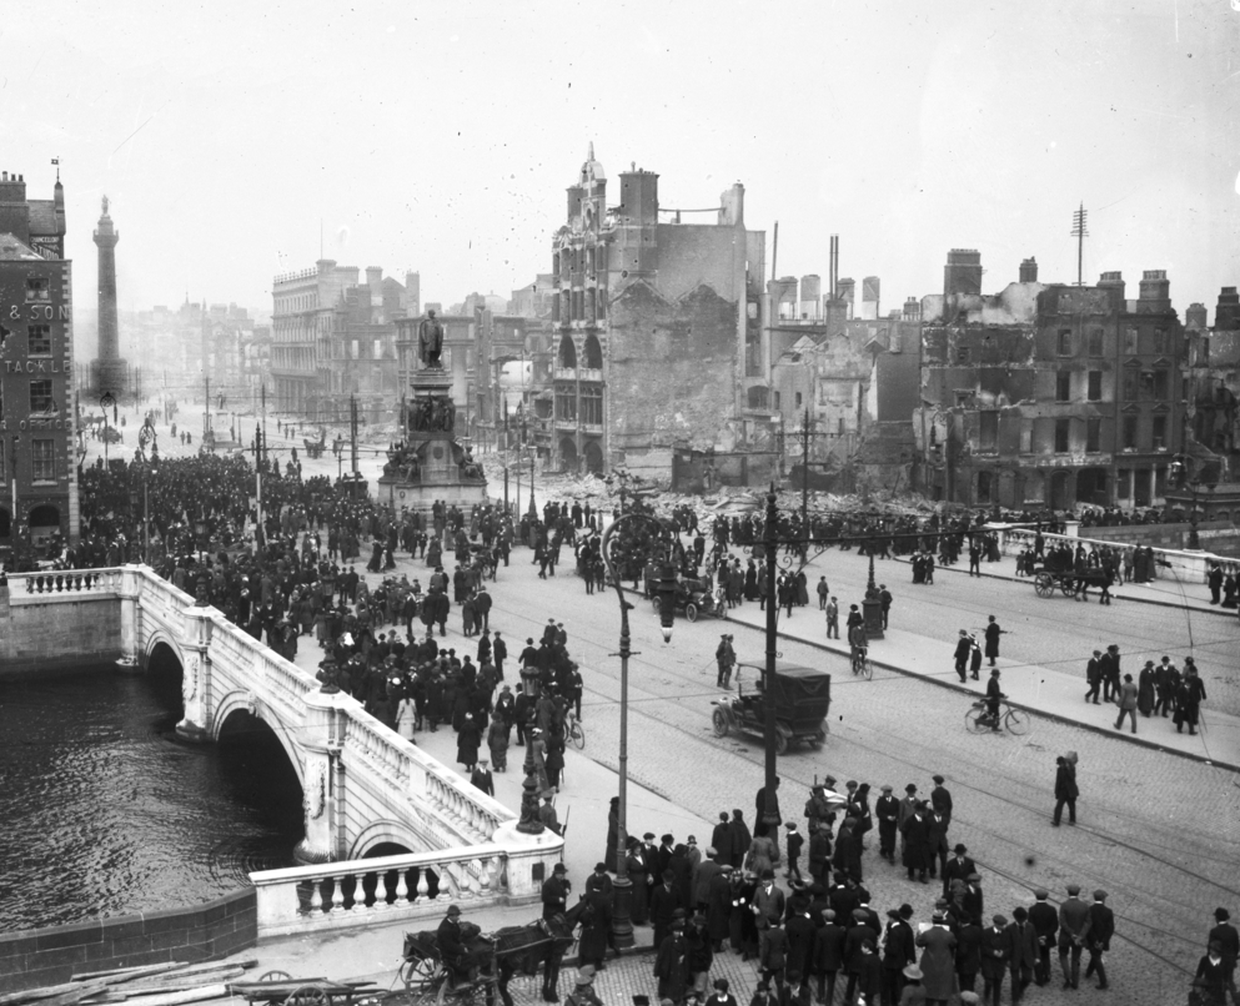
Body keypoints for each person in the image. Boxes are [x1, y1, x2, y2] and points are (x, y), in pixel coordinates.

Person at [1057, 884, 1091, 990]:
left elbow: (1062, 922)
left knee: (1063, 955)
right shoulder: (1085, 906)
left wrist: (1071, 934)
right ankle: (1075, 983)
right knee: (1075, 959)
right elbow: (1088, 923)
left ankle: (1068, 978)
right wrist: (1080, 936)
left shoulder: (1064, 905)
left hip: (1066, 937)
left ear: (1068, 893)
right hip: (1079, 939)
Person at [1083, 889, 1114, 990]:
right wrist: (1103, 941)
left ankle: (1092, 975)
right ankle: (1101, 980)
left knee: (1095, 956)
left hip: (1092, 941)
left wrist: (1095, 940)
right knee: (1096, 956)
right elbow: (1110, 929)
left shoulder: (1089, 910)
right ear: (1104, 899)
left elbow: (1089, 927)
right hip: (1102, 941)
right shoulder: (1108, 912)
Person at [1028, 889, 1058, 987]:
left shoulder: (1032, 909)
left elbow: (1030, 925)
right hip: (1047, 939)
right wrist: (1046, 936)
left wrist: (1038, 937)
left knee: (1037, 956)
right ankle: (1047, 974)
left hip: (1036, 939)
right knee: (1046, 955)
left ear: (1036, 897)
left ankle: (1039, 979)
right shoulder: (1052, 909)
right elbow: (1055, 925)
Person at [980, 914, 1010, 1006]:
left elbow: (1010, 947)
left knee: (998, 984)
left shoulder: (1006, 934)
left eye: (1004, 925)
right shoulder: (986, 933)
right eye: (1002, 925)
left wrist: (1003, 953)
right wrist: (993, 952)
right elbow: (983, 947)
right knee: (989, 981)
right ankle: (986, 995)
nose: (1004, 927)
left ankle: (996, 1003)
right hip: (989, 962)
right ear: (996, 924)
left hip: (1000, 963)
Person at [1052, 755, 1078, 826]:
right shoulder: (1059, 770)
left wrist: (1067, 769)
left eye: (1061, 764)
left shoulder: (1071, 768)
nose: (1060, 765)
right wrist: (1056, 792)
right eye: (1059, 764)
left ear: (1064, 763)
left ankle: (1072, 820)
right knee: (1058, 806)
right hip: (1062, 792)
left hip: (1070, 792)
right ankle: (1056, 821)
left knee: (1071, 806)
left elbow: (1072, 777)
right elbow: (1058, 782)